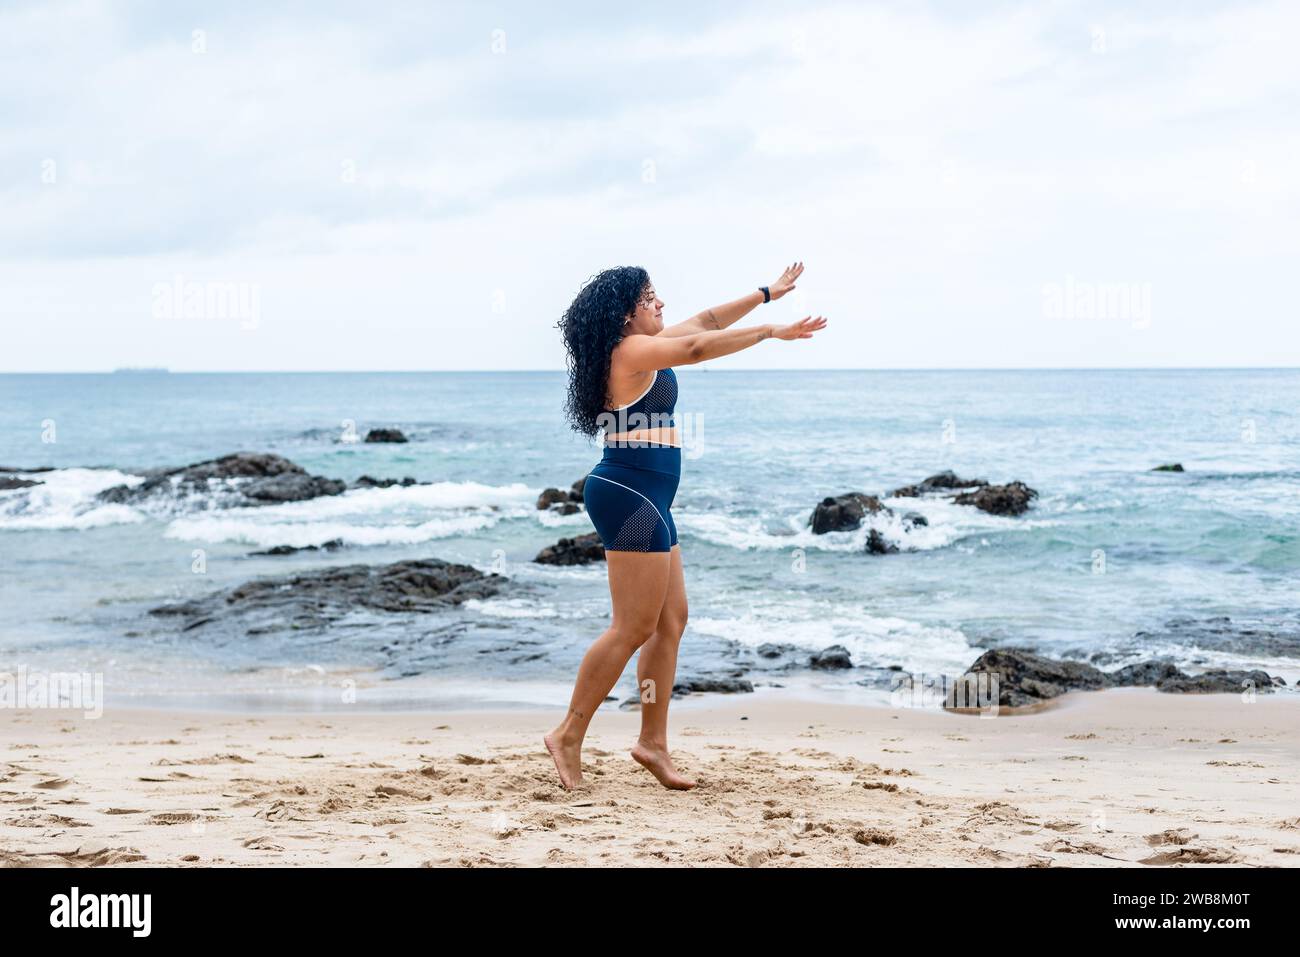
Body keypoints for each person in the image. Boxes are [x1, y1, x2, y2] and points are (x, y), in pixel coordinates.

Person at [548, 262, 826, 790]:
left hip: (649, 497)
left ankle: (652, 743)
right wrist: (771, 333)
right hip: (630, 497)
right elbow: (697, 350)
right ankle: (567, 734)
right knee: (631, 627)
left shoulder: (642, 346)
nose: (661, 305)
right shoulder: (629, 353)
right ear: (625, 311)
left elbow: (706, 321)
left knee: (670, 621)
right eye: (650, 298)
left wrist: (766, 294)